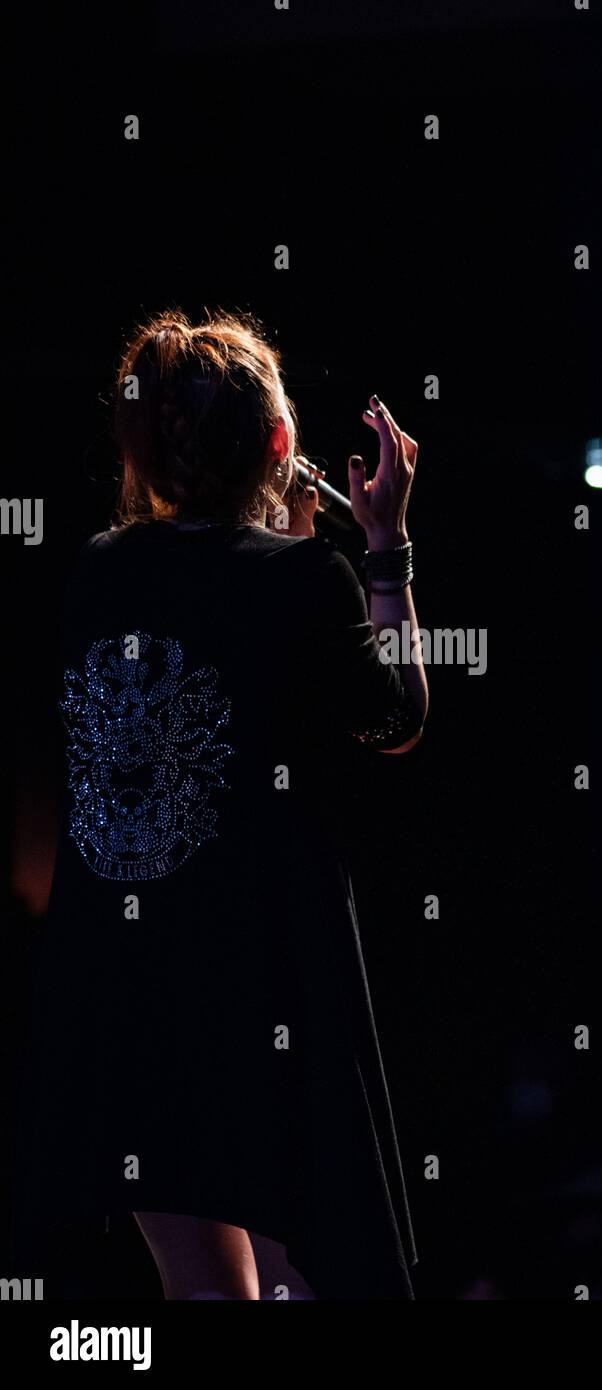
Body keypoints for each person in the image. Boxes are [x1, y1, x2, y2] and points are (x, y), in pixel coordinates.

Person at [14, 309, 428, 1300]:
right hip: (255, 977)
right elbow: (395, 717)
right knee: (295, 1270)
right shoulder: (304, 579)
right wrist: (383, 547)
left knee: (201, 1288)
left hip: (124, 980)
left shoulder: (97, 571)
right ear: (280, 444)